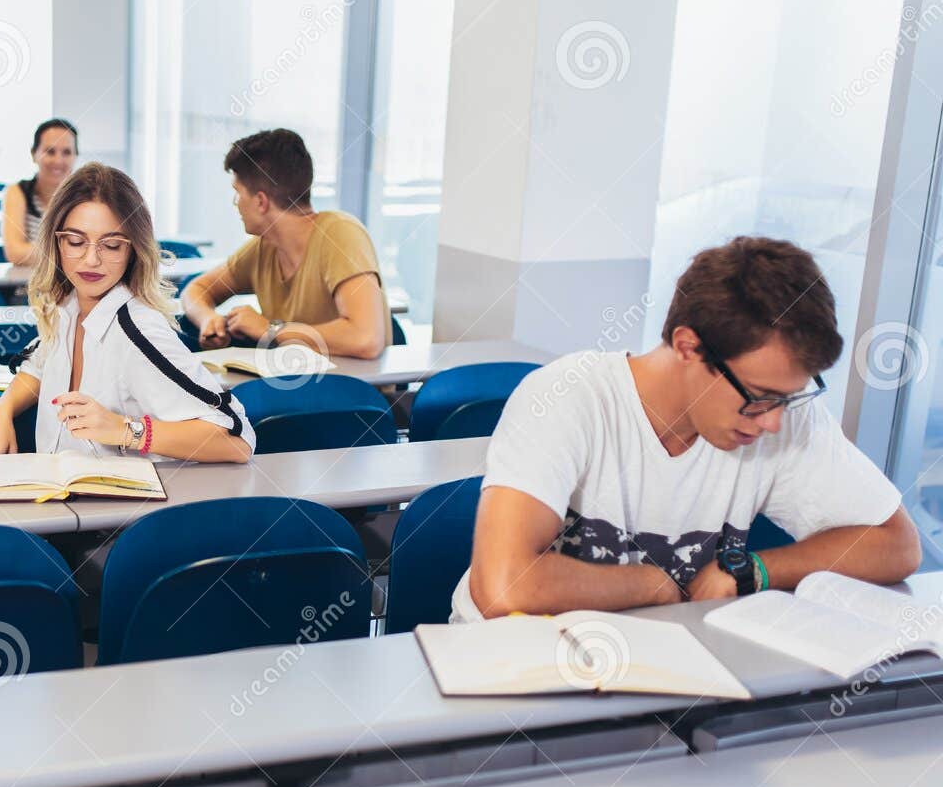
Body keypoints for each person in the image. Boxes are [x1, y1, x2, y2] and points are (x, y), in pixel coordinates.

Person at [455, 236, 921, 622]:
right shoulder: (567, 396)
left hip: (672, 676)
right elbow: (503, 587)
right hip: (517, 675)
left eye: (788, 398)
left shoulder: (779, 413)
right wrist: (656, 584)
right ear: (688, 346)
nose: (775, 421)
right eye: (759, 397)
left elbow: (898, 545)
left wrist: (752, 569)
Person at [0, 162, 253, 463]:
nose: (91, 260)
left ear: (132, 250)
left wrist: (126, 430)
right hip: (63, 499)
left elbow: (236, 440)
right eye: (75, 241)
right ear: (56, 242)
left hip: (127, 509)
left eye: (111, 245)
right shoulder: (68, 304)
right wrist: (1, 410)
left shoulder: (139, 330)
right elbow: (38, 364)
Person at [182, 127, 389, 360]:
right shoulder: (264, 247)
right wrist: (208, 318)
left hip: (352, 393)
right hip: (294, 385)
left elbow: (366, 339)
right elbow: (196, 290)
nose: (235, 203)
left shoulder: (341, 233)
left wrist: (271, 331)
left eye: (238, 193)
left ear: (261, 201)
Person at [0, 118, 78, 267]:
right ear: (34, 154)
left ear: (75, 156)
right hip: (27, 287)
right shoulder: (17, 192)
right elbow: (15, 252)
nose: (58, 160)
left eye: (67, 152)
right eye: (50, 151)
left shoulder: (87, 197)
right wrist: (73, 254)